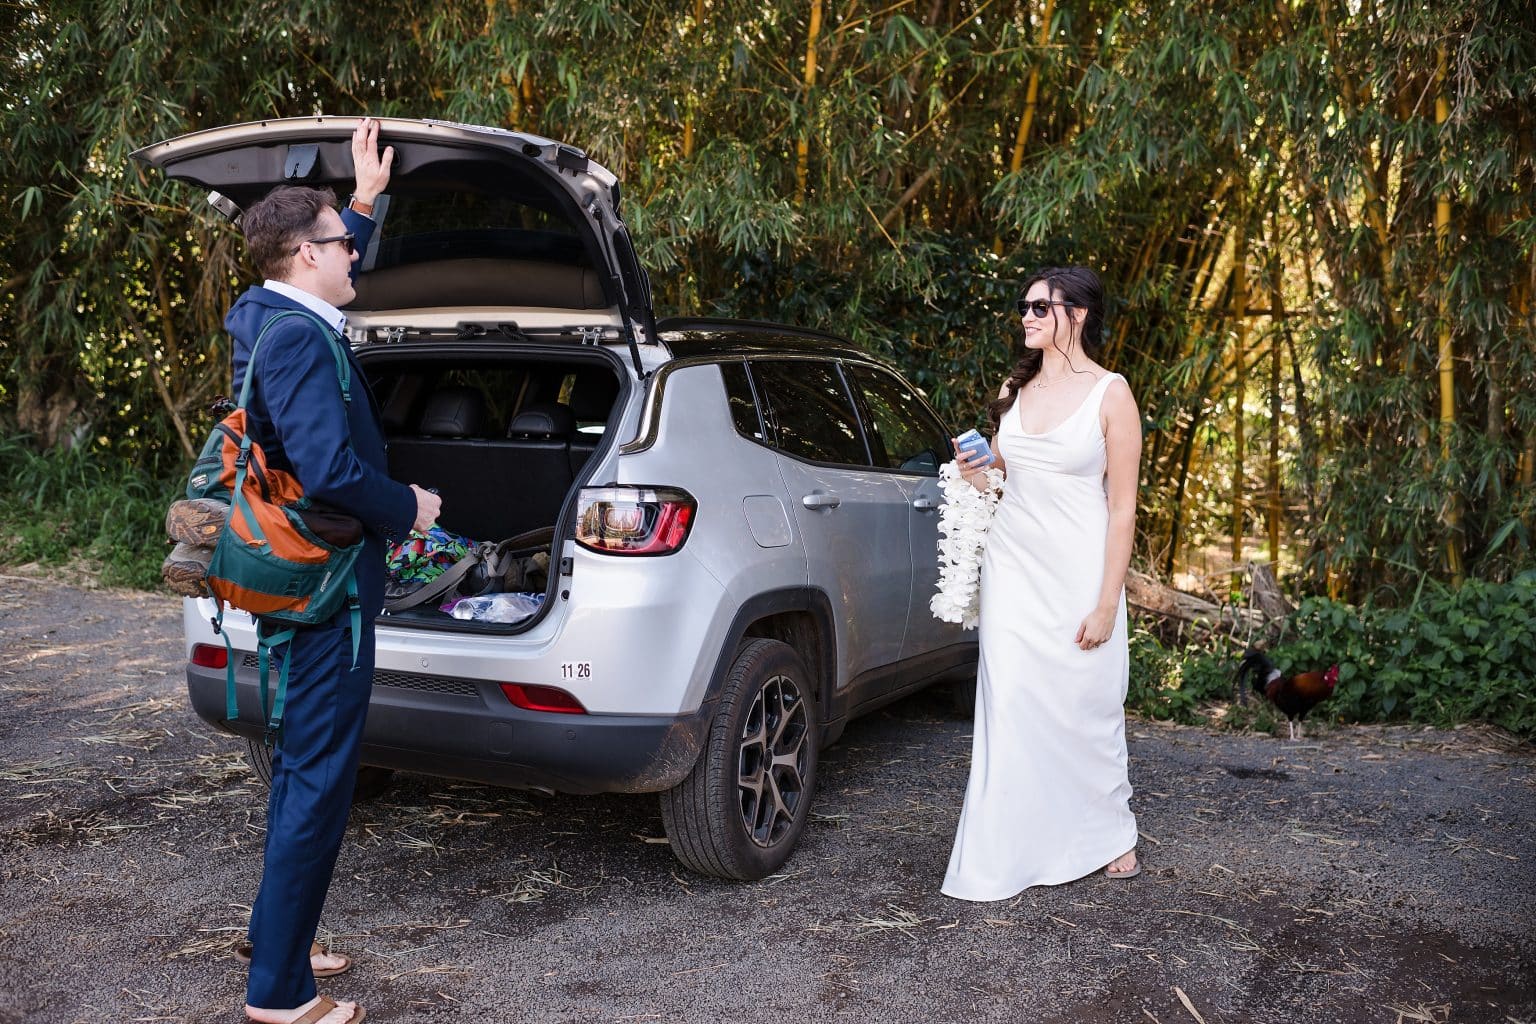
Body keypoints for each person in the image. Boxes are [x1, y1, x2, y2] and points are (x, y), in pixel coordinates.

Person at [230, 118, 441, 1024]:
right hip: (327, 588)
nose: (353, 253)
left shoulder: (271, 314)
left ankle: (282, 934)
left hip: (302, 582)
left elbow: (333, 247)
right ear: (302, 255)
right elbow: (331, 469)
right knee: (318, 774)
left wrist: (361, 197)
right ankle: (280, 993)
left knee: (300, 769)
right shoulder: (294, 339)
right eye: (339, 242)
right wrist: (412, 509)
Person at [941, 265, 1141, 901]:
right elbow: (1007, 474)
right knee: (1014, 705)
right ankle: (1008, 847)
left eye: (1038, 307)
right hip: (1015, 569)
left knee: (1087, 704)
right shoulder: (1014, 386)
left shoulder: (1113, 393)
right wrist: (977, 468)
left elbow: (1123, 508)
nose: (1025, 317)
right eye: (1023, 307)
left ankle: (1109, 832)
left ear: (1075, 316)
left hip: (1080, 571)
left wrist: (1108, 602)